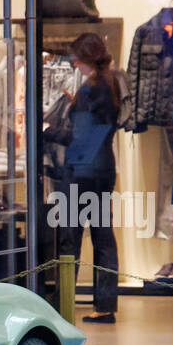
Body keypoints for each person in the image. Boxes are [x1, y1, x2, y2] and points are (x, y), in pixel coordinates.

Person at [46, 32, 121, 323]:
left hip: (81, 172)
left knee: (70, 238)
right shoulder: (110, 84)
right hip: (103, 169)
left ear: (87, 58)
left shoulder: (91, 89)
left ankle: (63, 304)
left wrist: (46, 130)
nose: (74, 63)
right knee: (103, 238)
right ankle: (105, 305)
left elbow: (79, 138)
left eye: (77, 58)